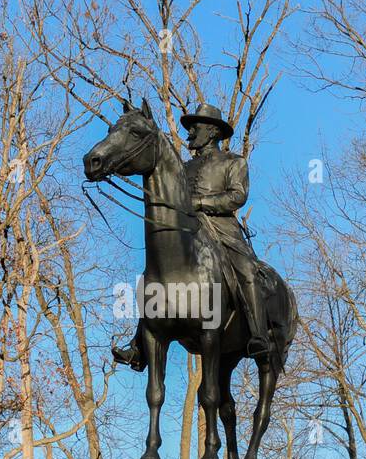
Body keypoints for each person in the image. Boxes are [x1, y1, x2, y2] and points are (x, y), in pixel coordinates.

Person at [113, 102, 271, 370]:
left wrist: (199, 202)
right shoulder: (183, 167)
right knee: (156, 274)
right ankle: (139, 345)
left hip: (222, 230)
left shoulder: (233, 162)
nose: (190, 133)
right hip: (189, 229)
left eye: (195, 128)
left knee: (247, 271)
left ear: (211, 132)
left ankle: (258, 335)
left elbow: (237, 196)